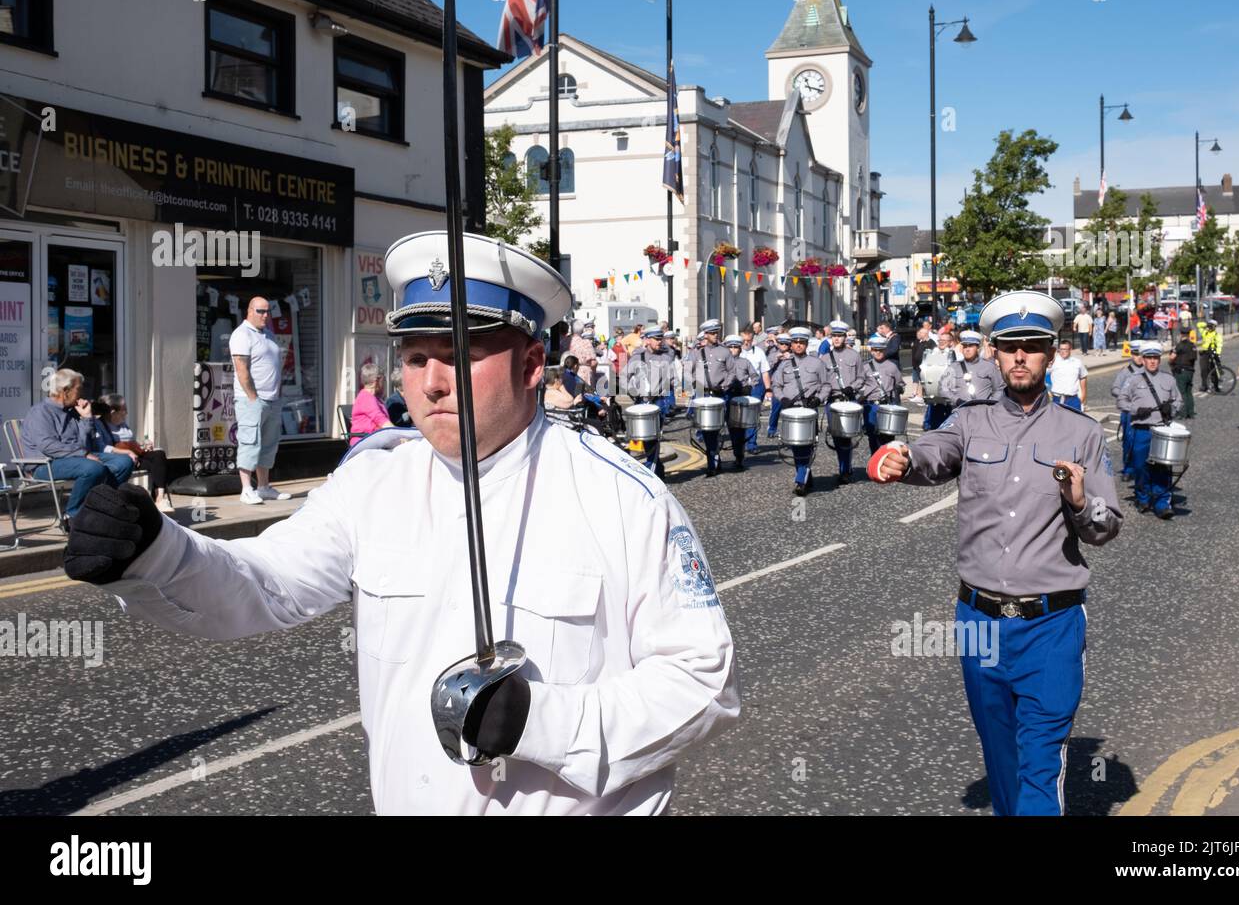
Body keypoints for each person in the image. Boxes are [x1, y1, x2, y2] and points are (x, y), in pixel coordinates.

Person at [61, 230, 739, 815]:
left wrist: (546, 722)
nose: (432, 382)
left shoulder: (621, 497)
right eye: (416, 358)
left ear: (532, 365)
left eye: (462, 355)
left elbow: (702, 681)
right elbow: (262, 585)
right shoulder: (374, 480)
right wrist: (155, 550)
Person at [866, 290, 1121, 816]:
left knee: (1039, 764)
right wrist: (902, 455)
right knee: (1001, 759)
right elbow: (935, 453)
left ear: (1052, 353)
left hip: (1051, 622)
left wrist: (1079, 501)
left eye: (1032, 346)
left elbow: (1106, 526)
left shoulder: (1082, 434)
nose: (1020, 356)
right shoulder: (969, 420)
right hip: (978, 623)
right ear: (995, 353)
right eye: (1009, 347)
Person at [21, 369, 134, 527]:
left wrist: (87, 418)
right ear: (65, 391)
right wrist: (83, 453)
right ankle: (73, 515)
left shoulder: (72, 412)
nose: (83, 393)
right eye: (79, 389)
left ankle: (98, 507)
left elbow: (85, 444)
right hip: (44, 464)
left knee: (124, 463)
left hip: (76, 459)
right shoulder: (40, 412)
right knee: (92, 468)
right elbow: (48, 446)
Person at [229, 296, 290, 505]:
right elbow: (241, 368)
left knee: (268, 445)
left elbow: (275, 366)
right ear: (249, 311)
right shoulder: (242, 334)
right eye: (260, 311)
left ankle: (263, 486)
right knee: (249, 442)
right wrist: (253, 397)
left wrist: (278, 392)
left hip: (273, 399)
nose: (265, 315)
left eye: (267, 311)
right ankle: (246, 489)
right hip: (252, 400)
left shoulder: (269, 335)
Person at [1118, 344, 1182, 518]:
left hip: (1162, 430)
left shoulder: (1169, 379)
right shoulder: (1133, 379)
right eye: (1149, 358)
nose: (1152, 361)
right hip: (1141, 430)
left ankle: (1162, 503)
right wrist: (1135, 410)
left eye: (1155, 358)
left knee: (1163, 468)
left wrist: (1172, 409)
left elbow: (1178, 401)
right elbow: (1121, 401)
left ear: (1159, 360)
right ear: (1144, 360)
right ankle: (1143, 497)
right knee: (1140, 467)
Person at [89, 393, 173, 512]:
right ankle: (157, 502)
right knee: (158, 467)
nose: (126, 413)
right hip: (117, 461)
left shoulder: (122, 425)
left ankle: (160, 498)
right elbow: (101, 448)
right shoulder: (99, 425)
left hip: (134, 458)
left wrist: (143, 444)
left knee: (159, 456)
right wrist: (127, 452)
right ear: (113, 411)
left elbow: (131, 443)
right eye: (124, 410)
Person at [771, 327, 829, 496]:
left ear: (806, 344)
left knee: (808, 445)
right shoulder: (784, 365)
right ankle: (804, 475)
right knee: (796, 446)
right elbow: (776, 385)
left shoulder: (817, 363)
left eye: (801, 342)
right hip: (791, 409)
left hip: (808, 409)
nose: (798, 345)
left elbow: (826, 385)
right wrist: (782, 398)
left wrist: (818, 399)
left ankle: (800, 480)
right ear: (791, 344)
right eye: (795, 342)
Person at [685, 319, 735, 477]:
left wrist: (724, 385)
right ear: (705, 335)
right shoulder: (697, 353)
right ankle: (712, 462)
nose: (715, 335)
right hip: (703, 394)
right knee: (707, 430)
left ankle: (715, 458)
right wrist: (694, 382)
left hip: (719, 394)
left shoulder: (724, 351)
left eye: (716, 332)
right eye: (712, 333)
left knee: (717, 428)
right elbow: (686, 371)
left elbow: (732, 372)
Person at [625, 327, 677, 479]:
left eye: (661, 338)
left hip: (659, 401)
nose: (660, 341)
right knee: (647, 439)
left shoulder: (665, 358)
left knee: (654, 438)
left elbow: (673, 379)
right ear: (647, 340)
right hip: (642, 402)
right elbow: (625, 378)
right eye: (656, 338)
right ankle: (656, 470)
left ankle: (652, 473)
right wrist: (634, 391)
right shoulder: (637, 357)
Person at [821, 320, 866, 484]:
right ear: (831, 337)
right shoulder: (825, 358)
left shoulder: (854, 355)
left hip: (848, 399)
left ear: (845, 337)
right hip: (832, 401)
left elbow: (862, 377)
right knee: (836, 436)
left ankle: (845, 469)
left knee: (846, 436)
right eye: (834, 336)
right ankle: (844, 466)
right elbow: (822, 380)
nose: (837, 339)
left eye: (840, 336)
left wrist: (852, 387)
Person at [860, 333, 903, 454]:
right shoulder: (865, 367)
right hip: (870, 404)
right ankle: (875, 459)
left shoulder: (892, 366)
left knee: (887, 436)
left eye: (881, 350)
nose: (878, 353)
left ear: (885, 350)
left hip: (886, 405)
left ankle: (885, 460)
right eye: (875, 350)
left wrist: (899, 388)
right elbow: (859, 384)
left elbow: (901, 383)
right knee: (872, 435)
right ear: (871, 351)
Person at [940, 331, 1004, 408]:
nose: (967, 349)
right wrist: (957, 400)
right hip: (960, 411)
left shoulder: (989, 366)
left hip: (983, 412)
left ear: (977, 348)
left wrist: (991, 404)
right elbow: (943, 389)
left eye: (970, 346)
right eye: (965, 346)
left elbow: (999, 388)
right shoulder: (953, 367)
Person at [723, 334, 758, 472]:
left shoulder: (745, 362)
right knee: (730, 427)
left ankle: (739, 456)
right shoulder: (723, 362)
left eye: (736, 347)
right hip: (727, 394)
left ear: (740, 349)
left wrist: (749, 385)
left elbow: (755, 376)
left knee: (740, 428)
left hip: (741, 395)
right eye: (730, 347)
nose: (733, 350)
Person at [1111, 342, 1144, 480]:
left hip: (1145, 413)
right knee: (1128, 442)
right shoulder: (1125, 372)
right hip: (1129, 412)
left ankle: (1142, 469)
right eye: (1136, 354)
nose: (1139, 358)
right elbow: (1115, 389)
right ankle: (1128, 469)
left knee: (1143, 443)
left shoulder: (1149, 371)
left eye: (1141, 355)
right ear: (1132, 355)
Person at [738, 329, 771, 454]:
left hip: (756, 386)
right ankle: (740, 441)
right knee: (739, 416)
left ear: (753, 340)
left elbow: (765, 371)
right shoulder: (735, 351)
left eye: (749, 340)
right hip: (740, 386)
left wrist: (768, 389)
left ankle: (751, 444)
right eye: (744, 341)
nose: (746, 343)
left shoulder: (759, 352)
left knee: (752, 415)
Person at [349, 363, 394, 446]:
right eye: (383, 380)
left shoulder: (374, 398)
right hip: (364, 442)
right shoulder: (366, 397)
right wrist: (398, 436)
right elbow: (381, 420)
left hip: (373, 440)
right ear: (376, 381)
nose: (384, 383)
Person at [921, 330, 957, 429]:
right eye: (940, 340)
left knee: (950, 421)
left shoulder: (955, 354)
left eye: (944, 340)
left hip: (950, 394)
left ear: (950, 342)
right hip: (935, 393)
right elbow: (926, 370)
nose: (941, 342)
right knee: (935, 421)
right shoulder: (932, 354)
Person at [1046, 339, 1087, 411]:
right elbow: (1043, 374)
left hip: (1073, 399)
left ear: (1070, 349)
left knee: (1075, 421)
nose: (1062, 351)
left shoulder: (1077, 362)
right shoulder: (1054, 361)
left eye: (1065, 349)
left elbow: (1083, 376)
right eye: (1061, 349)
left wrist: (1083, 394)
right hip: (1057, 399)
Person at [766, 333, 793, 438]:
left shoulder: (793, 354)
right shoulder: (773, 355)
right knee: (775, 409)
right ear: (778, 344)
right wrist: (776, 359)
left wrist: (790, 358)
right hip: (777, 386)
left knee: (789, 410)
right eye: (782, 343)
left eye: (787, 343)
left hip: (789, 386)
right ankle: (772, 429)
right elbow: (766, 368)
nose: (784, 346)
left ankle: (789, 431)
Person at [1169, 330, 1197, 419]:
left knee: (1182, 393)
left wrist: (1170, 362)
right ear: (1188, 335)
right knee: (1189, 392)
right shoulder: (1193, 346)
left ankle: (1183, 413)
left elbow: (1172, 357)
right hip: (1190, 371)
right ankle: (1191, 413)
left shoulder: (1180, 345)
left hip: (1181, 371)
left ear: (1181, 334)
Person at [908, 321, 937, 403]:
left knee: (923, 381)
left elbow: (933, 354)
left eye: (921, 332)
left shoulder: (931, 342)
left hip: (925, 366)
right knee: (919, 380)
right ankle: (919, 395)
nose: (919, 334)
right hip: (917, 365)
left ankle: (922, 396)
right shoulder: (920, 342)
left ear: (925, 334)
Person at [1198, 319, 1223, 394]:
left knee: (1213, 371)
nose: (1210, 327)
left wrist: (1218, 353)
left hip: (1212, 353)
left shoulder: (1217, 335)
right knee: (1204, 370)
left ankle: (1216, 386)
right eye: (1210, 325)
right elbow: (1199, 325)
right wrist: (1206, 324)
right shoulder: (1205, 332)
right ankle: (1204, 386)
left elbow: (1219, 344)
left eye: (1211, 325)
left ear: (1215, 327)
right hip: (1204, 353)